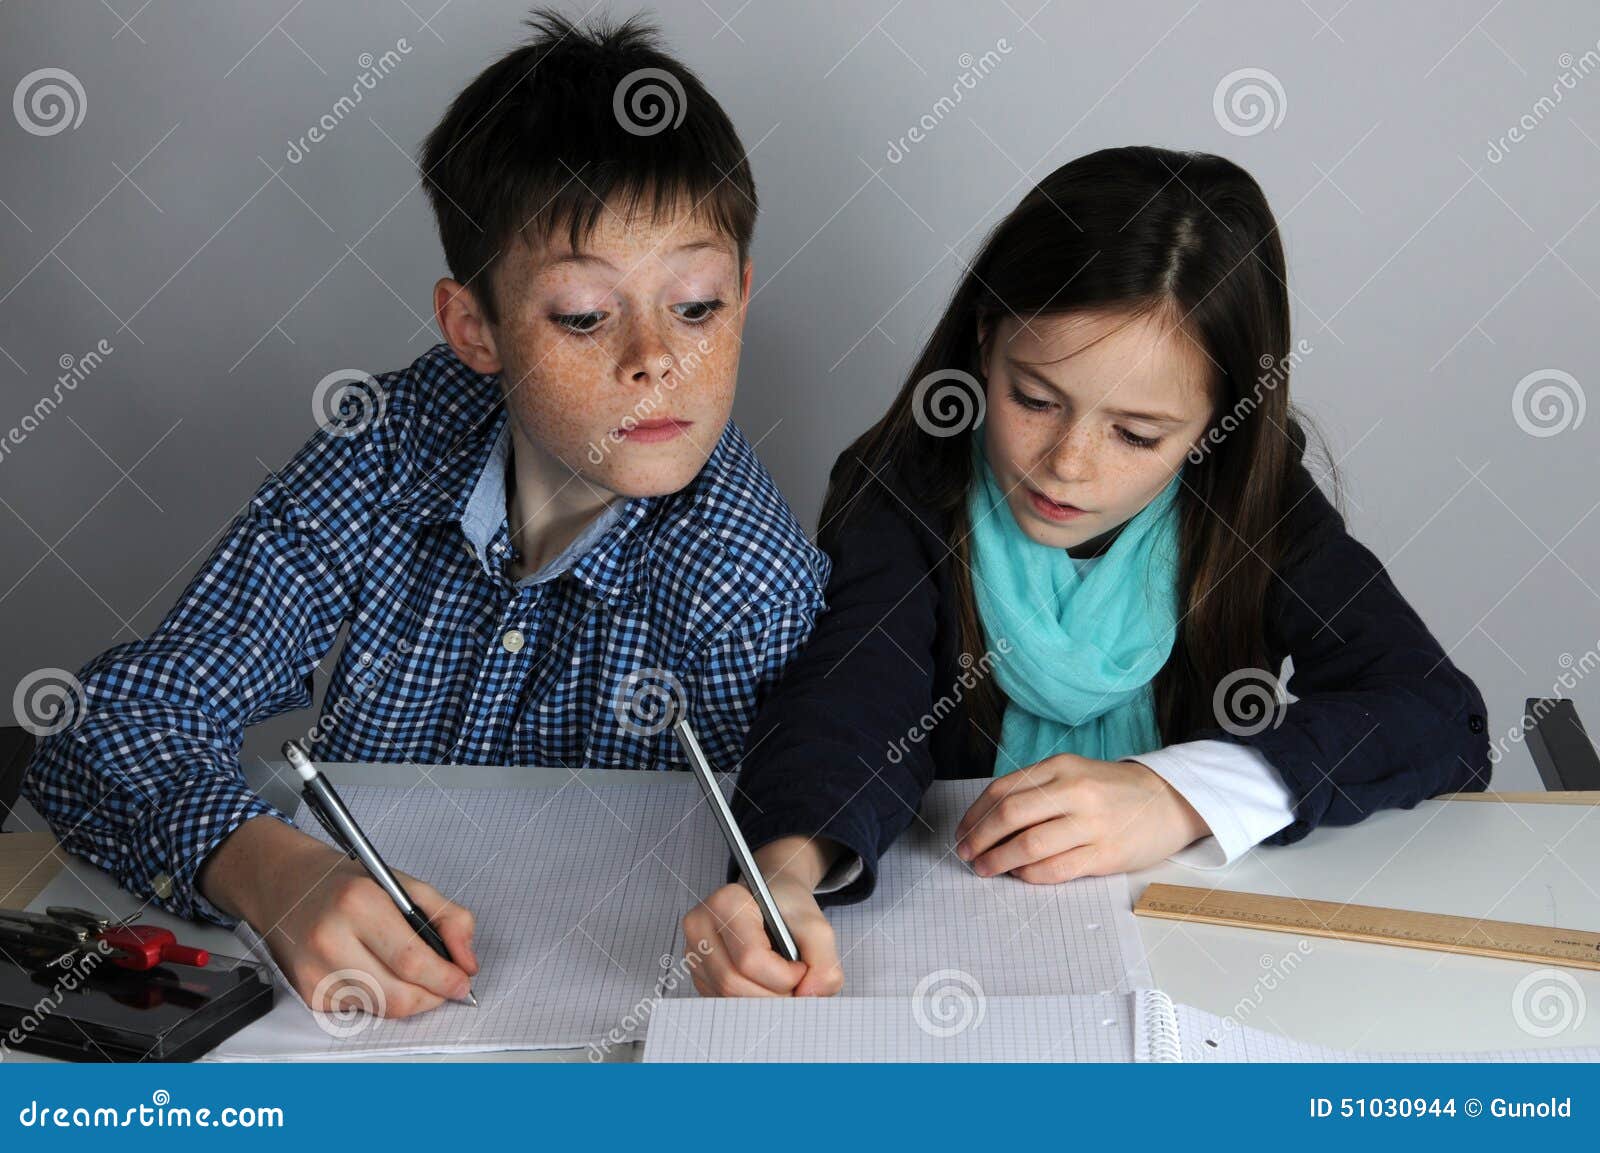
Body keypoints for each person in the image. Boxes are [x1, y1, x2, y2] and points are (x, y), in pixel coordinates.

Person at [26, 10, 829, 1019]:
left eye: (698, 306)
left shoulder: (744, 576)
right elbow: (112, 719)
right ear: (473, 328)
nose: (655, 357)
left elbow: (771, 873)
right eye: (584, 315)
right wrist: (262, 867)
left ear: (743, 297)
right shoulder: (390, 438)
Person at [681, 145, 1491, 998]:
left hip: (1202, 964)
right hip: (959, 960)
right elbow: (852, 698)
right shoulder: (903, 489)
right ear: (987, 342)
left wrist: (1172, 796)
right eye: (1034, 398)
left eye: (1137, 435)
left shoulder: (1251, 501)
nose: (1066, 464)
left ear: (1220, 421)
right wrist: (788, 871)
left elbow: (1436, 714)